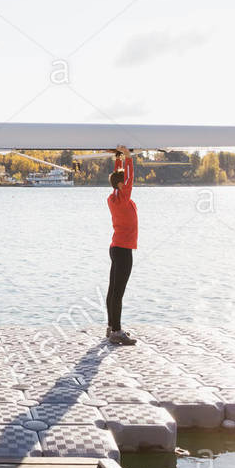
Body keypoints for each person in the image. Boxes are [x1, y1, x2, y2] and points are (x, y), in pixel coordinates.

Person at [106, 145, 137, 345]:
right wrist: (128, 159)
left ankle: (111, 326)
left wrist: (119, 159)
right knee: (118, 292)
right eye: (123, 183)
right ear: (120, 185)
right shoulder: (123, 198)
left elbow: (119, 178)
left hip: (116, 248)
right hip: (123, 250)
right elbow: (128, 178)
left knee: (112, 290)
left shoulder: (113, 198)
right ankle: (116, 330)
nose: (127, 184)